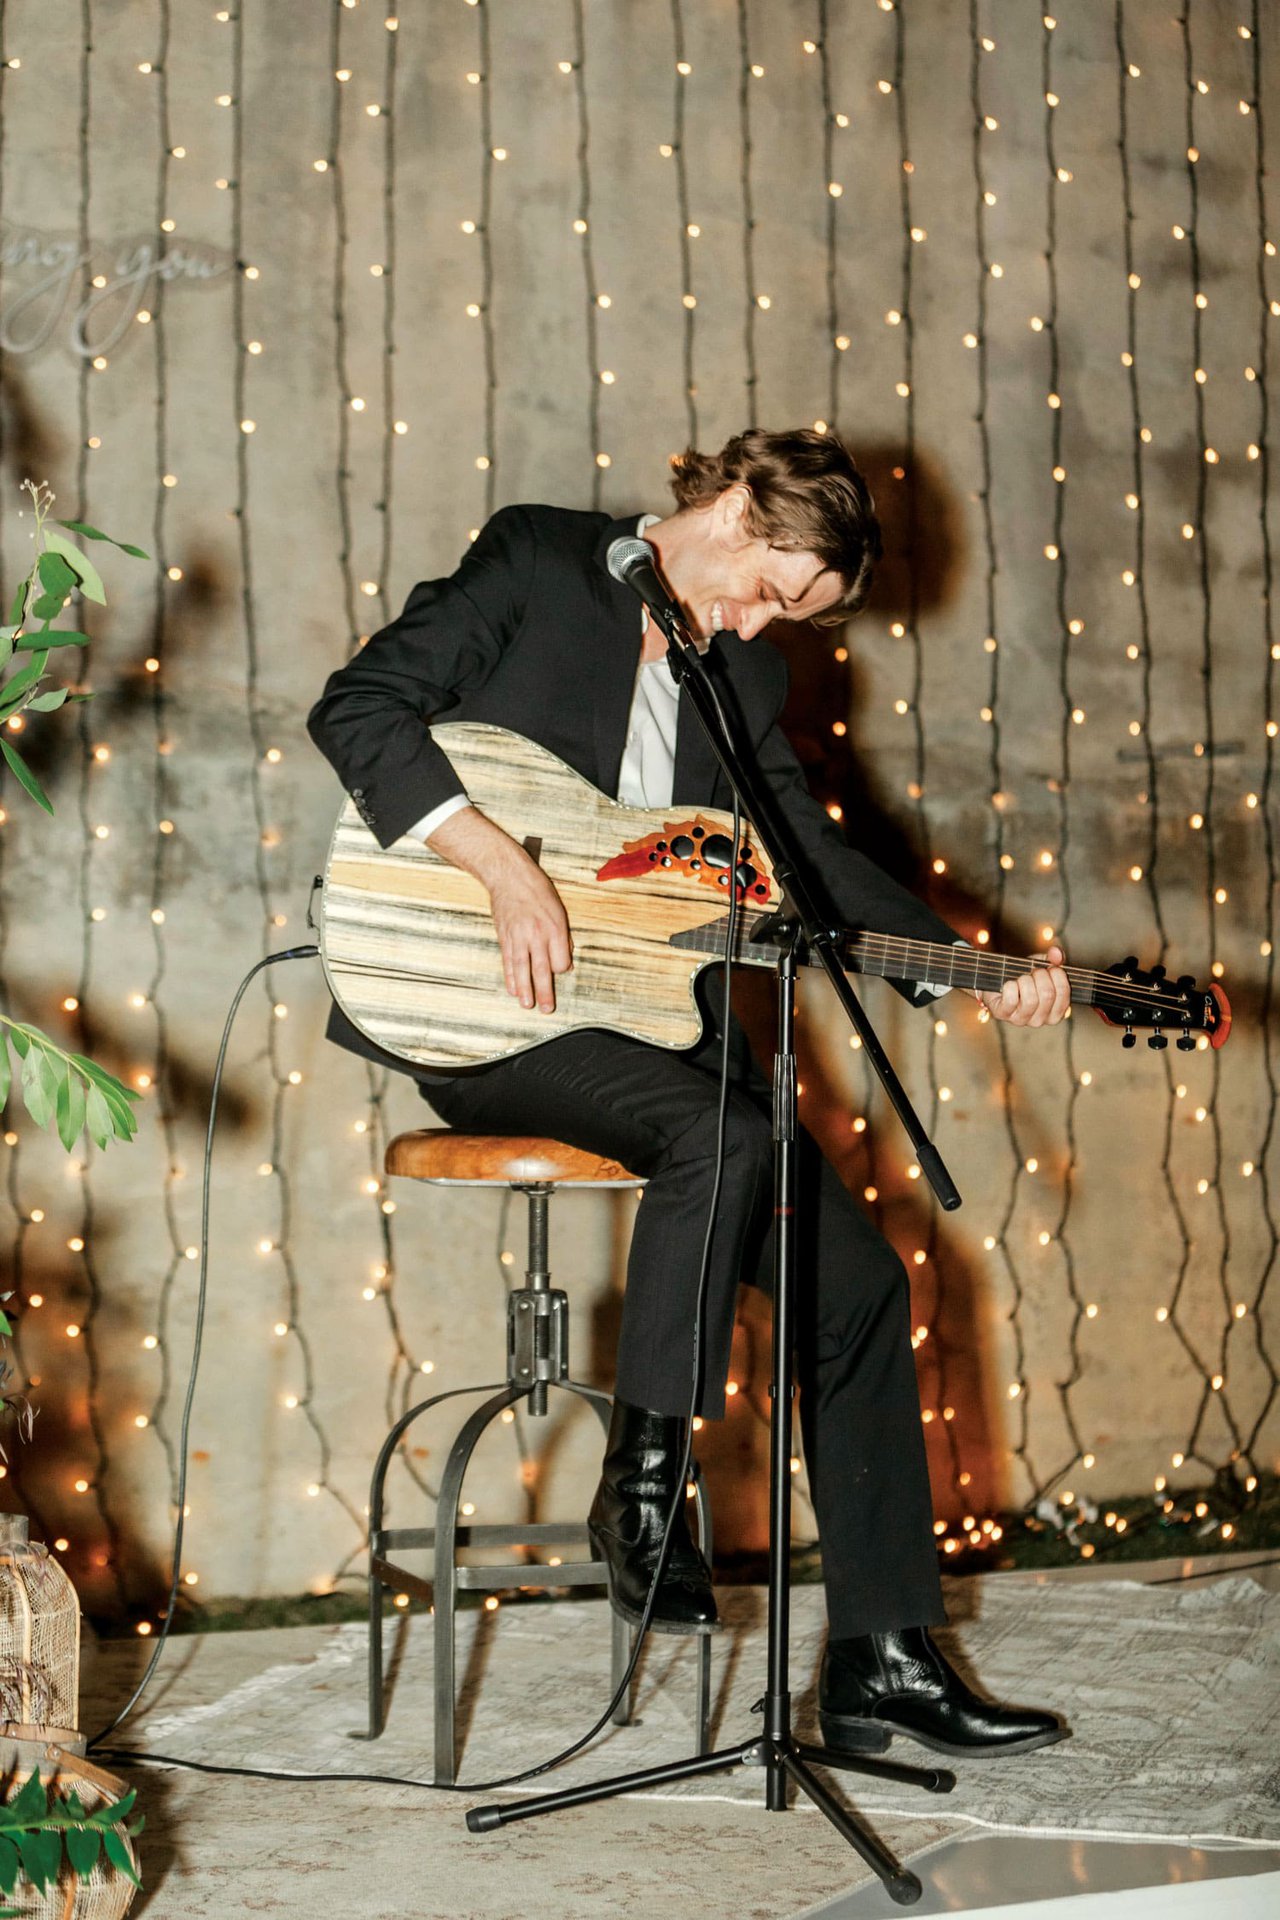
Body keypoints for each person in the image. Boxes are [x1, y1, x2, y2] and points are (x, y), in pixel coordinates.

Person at [308, 427, 1071, 1761]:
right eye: (772, 588)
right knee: (717, 1132)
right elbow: (357, 705)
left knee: (860, 1287)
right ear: (737, 508)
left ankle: (880, 1657)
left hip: (656, 1025)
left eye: (791, 616)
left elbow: (810, 863)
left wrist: (969, 969)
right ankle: (646, 1485)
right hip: (488, 1012)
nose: (762, 622)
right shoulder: (542, 559)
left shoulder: (746, 676)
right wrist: (498, 862)